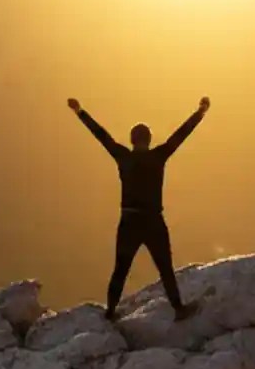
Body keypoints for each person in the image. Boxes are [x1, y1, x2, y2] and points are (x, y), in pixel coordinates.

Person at [67, 96, 210, 321]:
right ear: (149, 140)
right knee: (165, 268)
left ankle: (110, 312)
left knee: (121, 269)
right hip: (153, 221)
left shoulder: (123, 156)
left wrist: (80, 112)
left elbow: (101, 135)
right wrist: (200, 112)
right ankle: (179, 309)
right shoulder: (158, 156)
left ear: (132, 140)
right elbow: (181, 135)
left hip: (129, 221)